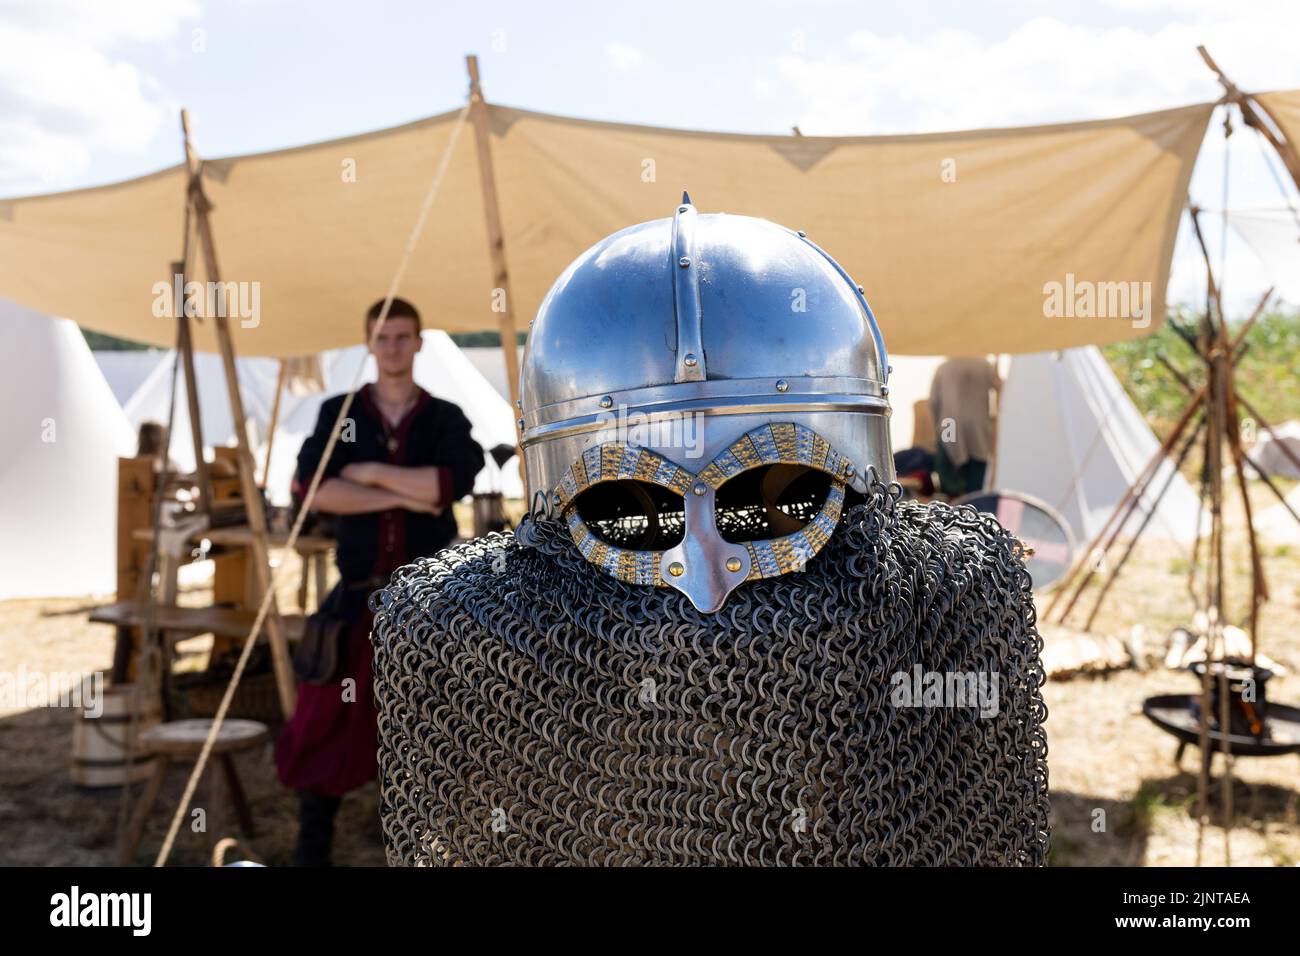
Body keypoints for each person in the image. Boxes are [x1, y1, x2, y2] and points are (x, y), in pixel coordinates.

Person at [276, 296, 484, 866]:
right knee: (325, 718)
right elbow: (312, 490)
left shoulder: (445, 418)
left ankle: (432, 845)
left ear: (419, 342)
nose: (393, 347)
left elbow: (448, 485)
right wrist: (404, 489)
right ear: (370, 344)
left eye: (403, 336)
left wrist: (366, 475)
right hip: (357, 595)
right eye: (383, 337)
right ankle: (311, 850)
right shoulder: (340, 414)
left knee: (436, 719)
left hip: (430, 600)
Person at [928, 356, 998, 497]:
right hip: (978, 428)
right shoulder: (985, 366)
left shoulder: (943, 368)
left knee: (950, 491)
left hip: (949, 425)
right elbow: (999, 388)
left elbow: (933, 402)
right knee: (975, 490)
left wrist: (937, 429)